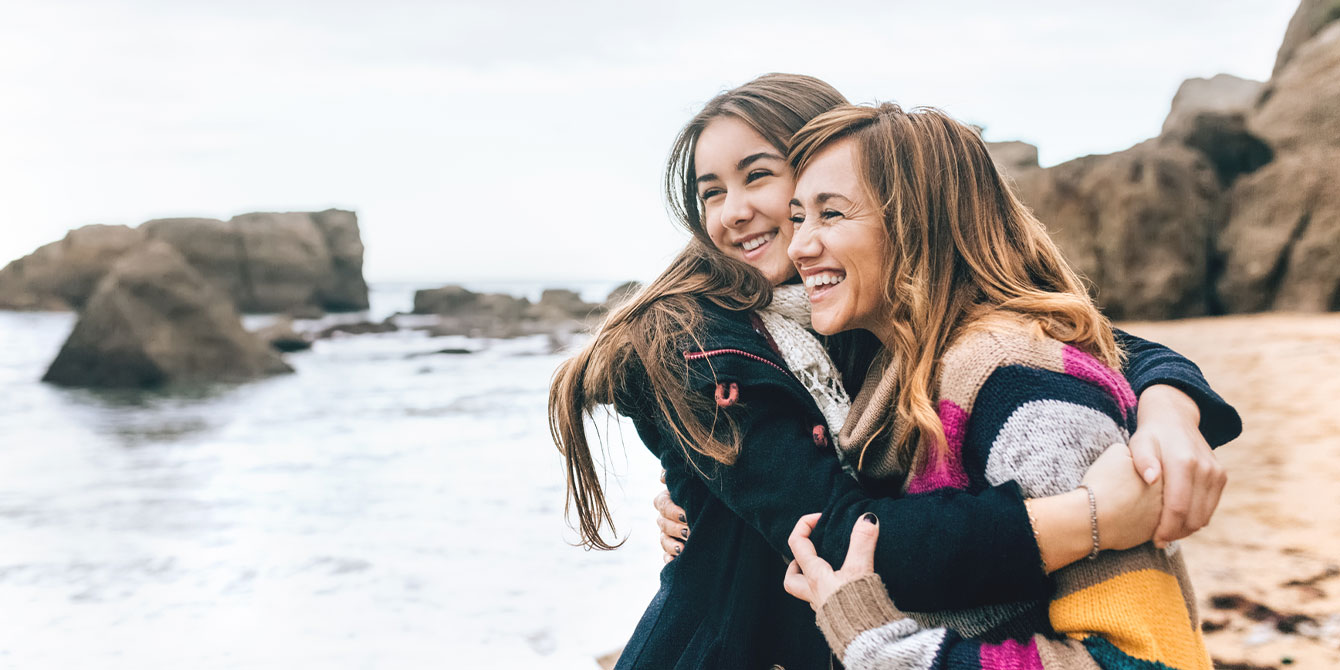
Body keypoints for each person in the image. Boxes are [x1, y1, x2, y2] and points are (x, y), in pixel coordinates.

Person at [549, 74, 1239, 670]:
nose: (732, 212)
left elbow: (1083, 346)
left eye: (758, 175)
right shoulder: (692, 343)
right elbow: (850, 539)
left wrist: (1170, 414)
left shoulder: (873, 319)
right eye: (710, 192)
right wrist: (1094, 518)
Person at [780, 103, 1216, 669]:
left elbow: (1141, 659)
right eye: (798, 218)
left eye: (831, 214)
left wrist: (876, 644)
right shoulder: (899, 373)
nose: (799, 247)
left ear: (917, 221)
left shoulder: (1015, 382)